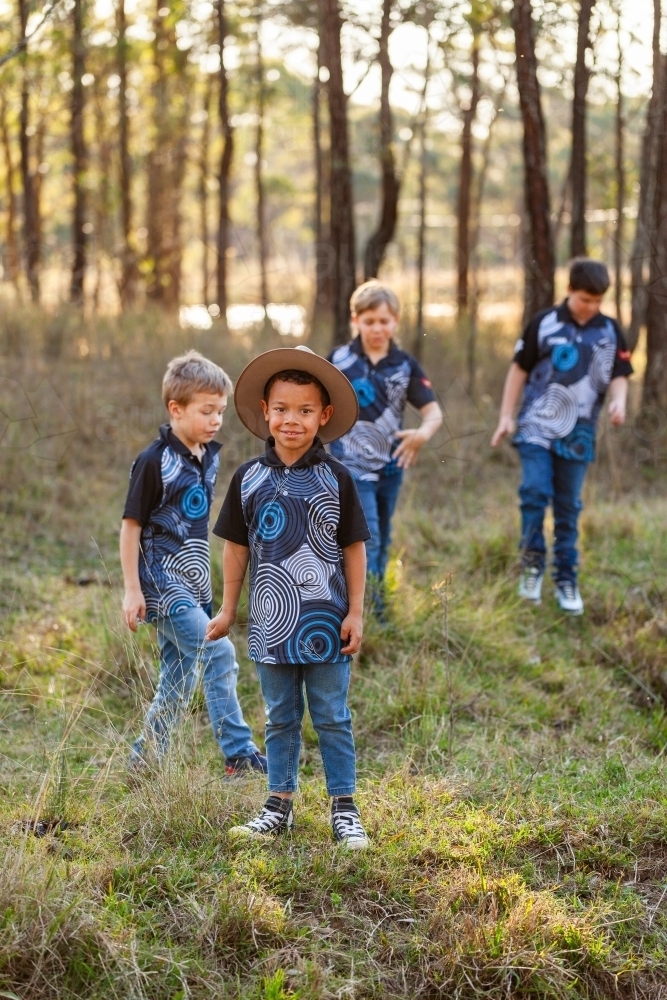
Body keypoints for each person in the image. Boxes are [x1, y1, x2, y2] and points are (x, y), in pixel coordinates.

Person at [206, 346, 372, 849]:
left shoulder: (337, 479)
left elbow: (355, 549)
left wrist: (357, 612)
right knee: (279, 717)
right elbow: (236, 550)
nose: (292, 421)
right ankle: (278, 805)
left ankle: (345, 808)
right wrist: (229, 609)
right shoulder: (249, 479)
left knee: (331, 716)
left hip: (327, 623)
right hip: (271, 625)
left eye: (304, 411)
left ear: (323, 416)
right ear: (265, 411)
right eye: (281, 409)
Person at [120, 350, 266, 775]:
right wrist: (133, 590)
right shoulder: (154, 462)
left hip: (195, 584)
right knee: (218, 653)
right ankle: (239, 754)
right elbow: (131, 526)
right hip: (162, 584)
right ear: (176, 409)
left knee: (179, 678)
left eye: (220, 411)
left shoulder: (207, 454)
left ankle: (145, 763)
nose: (216, 419)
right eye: (207, 411)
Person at [491, 258, 633, 615]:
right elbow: (518, 371)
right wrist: (506, 416)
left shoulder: (611, 330)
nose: (591, 307)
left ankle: (566, 577)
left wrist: (618, 402)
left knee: (568, 506)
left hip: (580, 432)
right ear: (569, 290)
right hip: (536, 426)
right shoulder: (544, 323)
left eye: (598, 300)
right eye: (585, 299)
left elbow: (619, 374)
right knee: (535, 493)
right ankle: (532, 567)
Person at [327, 280, 442, 611]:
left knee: (384, 534)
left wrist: (422, 435)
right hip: (351, 466)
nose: (377, 328)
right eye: (369, 321)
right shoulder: (339, 359)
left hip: (392, 466)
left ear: (395, 322)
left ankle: (373, 602)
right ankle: (365, 609)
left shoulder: (404, 365)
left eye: (384, 321)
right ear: (355, 321)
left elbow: (433, 413)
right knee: (367, 537)